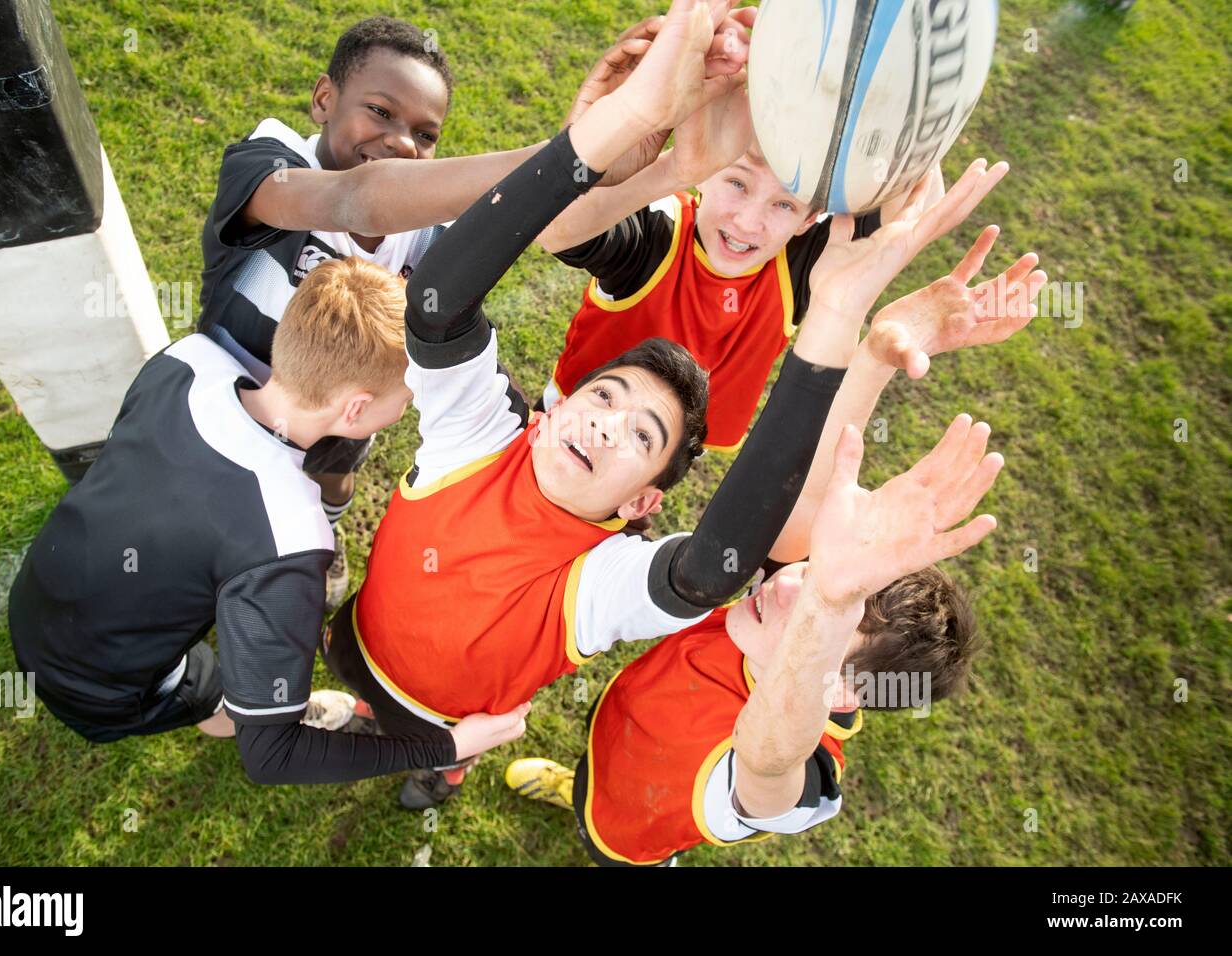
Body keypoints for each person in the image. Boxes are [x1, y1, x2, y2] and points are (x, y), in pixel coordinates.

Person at [320, 0, 1011, 808]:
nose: (608, 417)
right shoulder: (482, 435)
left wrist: (844, 309)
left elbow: (714, 565)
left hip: (457, 710)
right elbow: (437, 301)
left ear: (648, 501)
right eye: (607, 393)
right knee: (361, 686)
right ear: (556, 406)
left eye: (641, 432)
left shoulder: (594, 586)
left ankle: (445, 767)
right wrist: (634, 129)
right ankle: (371, 712)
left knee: (444, 744)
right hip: (360, 641)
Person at [505, 229, 1046, 866]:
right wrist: (873, 355)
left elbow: (765, 765)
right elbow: (811, 489)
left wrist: (831, 602)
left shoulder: (800, 764)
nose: (786, 584)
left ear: (840, 692)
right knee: (594, 773)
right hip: (616, 730)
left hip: (634, 834)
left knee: (609, 845)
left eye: (821, 612)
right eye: (811, 576)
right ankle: (578, 784)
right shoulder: (777, 609)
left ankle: (603, 835)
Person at [195, 14, 693, 603]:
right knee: (217, 524)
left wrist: (639, 159)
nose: (402, 142)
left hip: (337, 418)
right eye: (380, 111)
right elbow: (356, 202)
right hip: (226, 398)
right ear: (324, 98)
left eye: (425, 134)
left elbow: (545, 221)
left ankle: (328, 526)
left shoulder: (429, 226)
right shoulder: (269, 160)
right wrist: (571, 153)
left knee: (330, 473)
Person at [9, 257, 528, 784]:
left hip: (36, 594)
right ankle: (217, 709)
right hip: (100, 687)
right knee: (217, 698)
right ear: (354, 410)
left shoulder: (187, 360)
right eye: (405, 398)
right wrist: (445, 743)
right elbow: (273, 756)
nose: (404, 411)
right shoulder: (289, 535)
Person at [534, 75, 944, 452]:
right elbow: (555, 225)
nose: (748, 223)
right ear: (704, 170)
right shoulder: (657, 232)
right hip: (568, 431)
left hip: (659, 456)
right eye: (737, 183)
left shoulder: (803, 262)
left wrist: (907, 89)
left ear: (809, 219)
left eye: (784, 204)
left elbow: (918, 208)